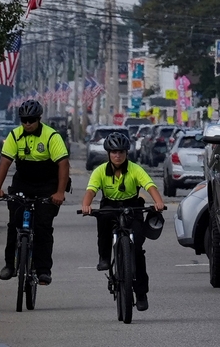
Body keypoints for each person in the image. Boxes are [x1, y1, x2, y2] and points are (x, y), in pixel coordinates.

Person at [81, 131, 166, 312]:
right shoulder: (100, 171)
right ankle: (104, 257)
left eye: (121, 152)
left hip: (132, 207)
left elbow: (150, 186)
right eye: (114, 152)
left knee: (137, 252)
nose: (117, 155)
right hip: (110, 206)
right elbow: (90, 191)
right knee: (102, 218)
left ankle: (141, 293)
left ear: (127, 153)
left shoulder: (135, 169)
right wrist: (86, 206)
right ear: (108, 154)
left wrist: (158, 202)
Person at [0, 99, 69, 284]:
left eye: (31, 120)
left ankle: (43, 270)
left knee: (43, 226)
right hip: (23, 182)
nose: (27, 124)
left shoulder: (52, 136)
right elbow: (5, 162)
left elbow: (63, 165)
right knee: (13, 223)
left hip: (47, 184)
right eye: (24, 120)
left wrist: (59, 193)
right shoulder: (14, 135)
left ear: (39, 119)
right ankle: (10, 265)